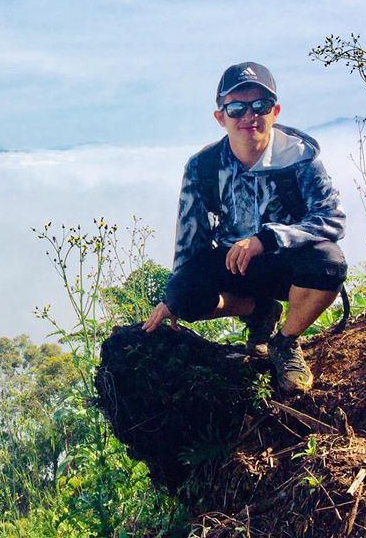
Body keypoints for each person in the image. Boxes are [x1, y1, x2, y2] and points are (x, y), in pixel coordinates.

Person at [142, 62, 347, 394]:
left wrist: (268, 238)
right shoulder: (203, 167)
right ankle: (261, 312)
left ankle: (285, 342)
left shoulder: (299, 157)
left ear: (275, 111)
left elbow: (331, 217)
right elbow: (191, 236)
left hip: (286, 261)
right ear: (220, 117)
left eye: (260, 106)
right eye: (236, 108)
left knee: (328, 264)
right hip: (232, 263)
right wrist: (175, 296)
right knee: (184, 295)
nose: (249, 116)